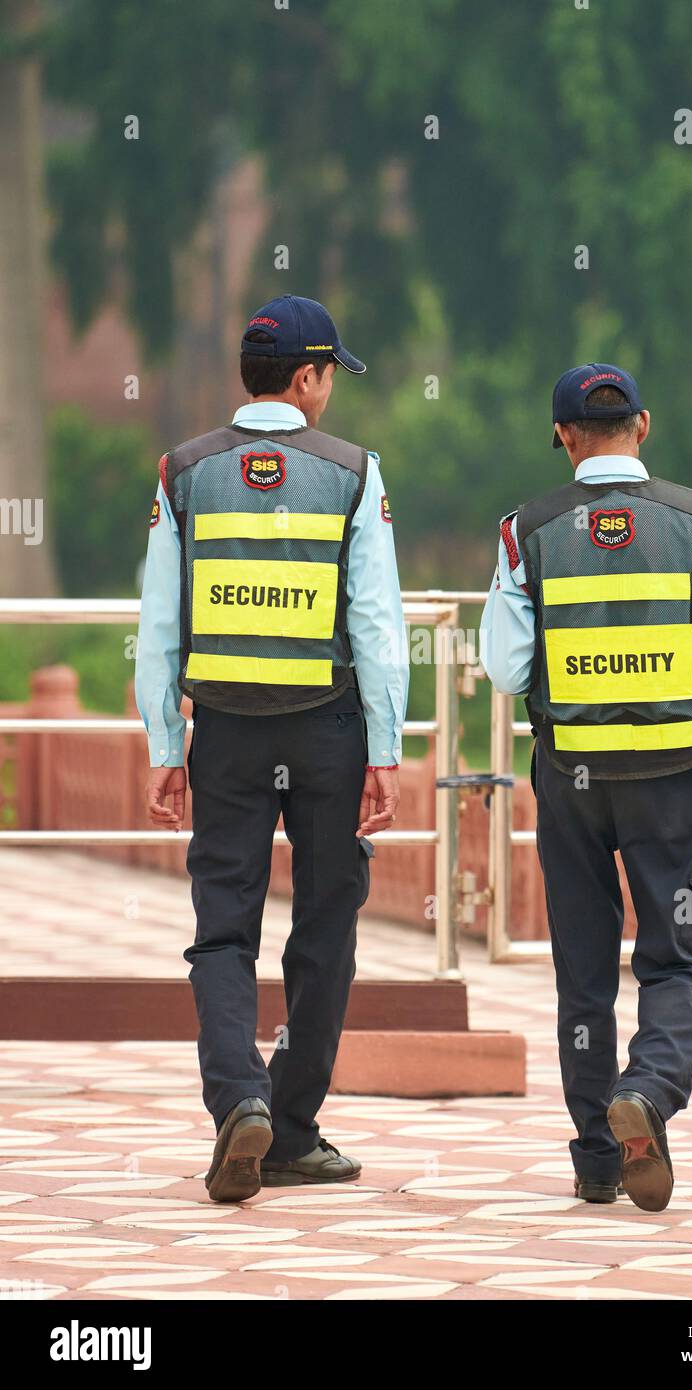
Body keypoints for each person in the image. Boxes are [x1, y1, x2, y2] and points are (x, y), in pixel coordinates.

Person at [135, 294, 408, 1202]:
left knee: (221, 932)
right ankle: (288, 1129)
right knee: (325, 930)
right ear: (308, 377)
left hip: (224, 735)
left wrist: (166, 747)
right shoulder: (353, 472)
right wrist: (385, 749)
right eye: (331, 374)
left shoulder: (186, 471)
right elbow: (374, 623)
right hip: (329, 732)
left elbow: (158, 624)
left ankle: (237, 1103)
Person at [480, 363, 692, 1212]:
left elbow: (504, 665)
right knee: (674, 959)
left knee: (584, 969)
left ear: (564, 436)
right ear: (644, 425)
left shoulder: (527, 531)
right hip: (672, 781)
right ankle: (651, 1087)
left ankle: (598, 1156)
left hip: (570, 778)